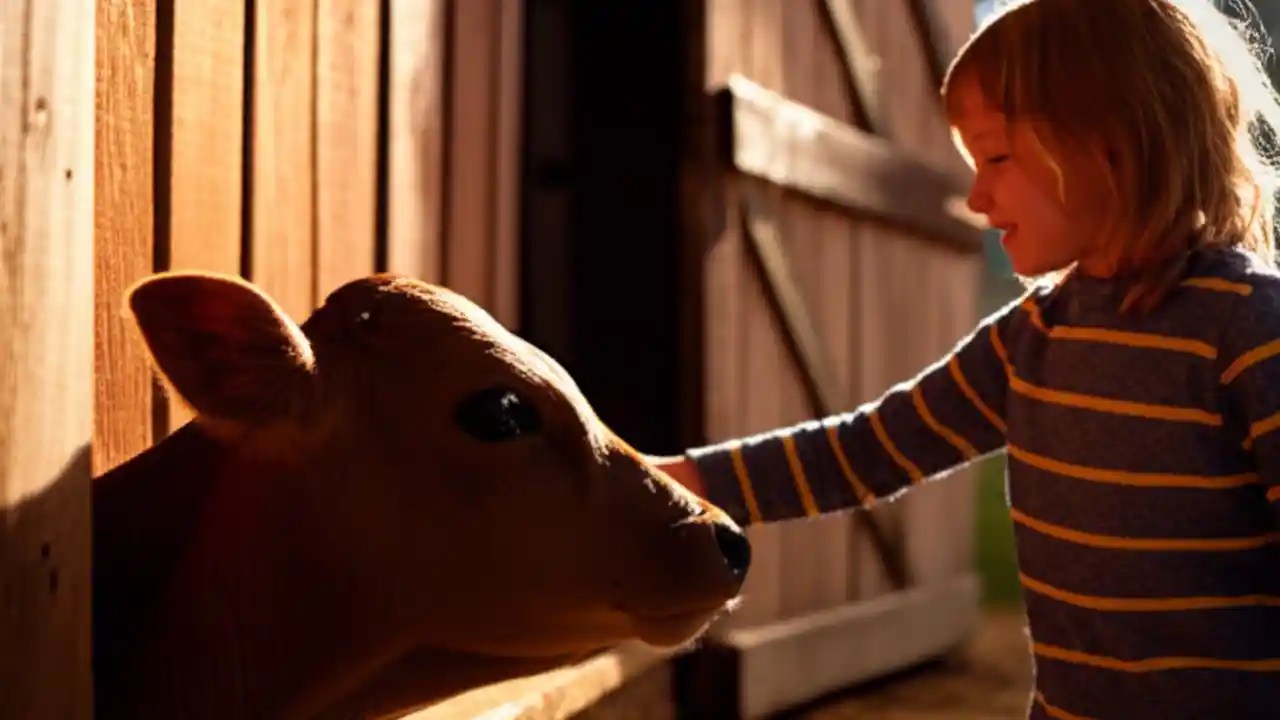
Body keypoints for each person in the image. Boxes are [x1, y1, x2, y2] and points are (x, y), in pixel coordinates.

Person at [650, 0, 1280, 717]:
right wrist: (673, 481)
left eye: (998, 158)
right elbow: (864, 452)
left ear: (1114, 139)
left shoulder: (1248, 328)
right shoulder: (1031, 341)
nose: (977, 198)